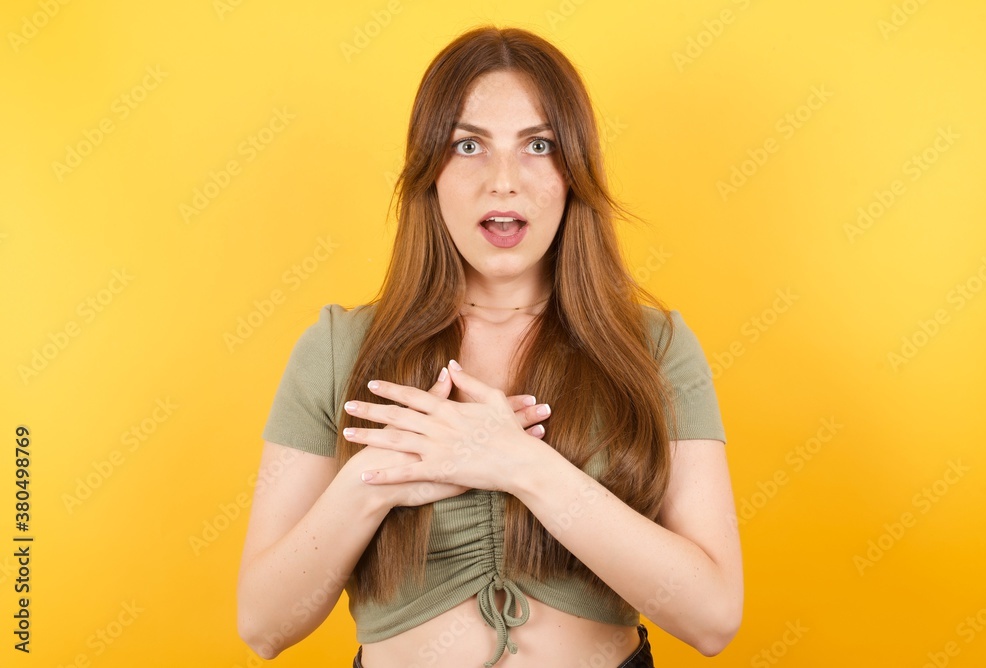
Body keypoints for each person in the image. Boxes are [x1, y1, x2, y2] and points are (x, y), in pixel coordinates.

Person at [237, 25, 743, 668]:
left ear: (573, 174)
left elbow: (713, 618)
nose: (504, 180)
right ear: (429, 172)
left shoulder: (654, 349)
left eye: (538, 144)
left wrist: (520, 465)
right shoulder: (338, 350)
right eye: (468, 144)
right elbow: (262, 625)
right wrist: (373, 479)